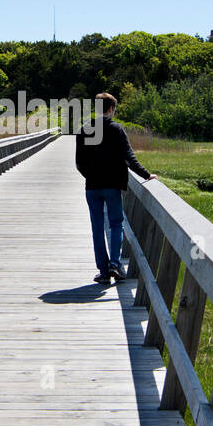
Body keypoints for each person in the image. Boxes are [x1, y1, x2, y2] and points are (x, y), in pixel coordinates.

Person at [75, 93, 157, 284]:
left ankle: (103, 272)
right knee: (115, 225)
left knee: (97, 228)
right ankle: (115, 264)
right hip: (112, 186)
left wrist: (92, 177)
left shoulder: (84, 130)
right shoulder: (117, 129)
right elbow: (129, 158)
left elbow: (79, 163)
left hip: (92, 187)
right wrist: (147, 175)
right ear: (111, 109)